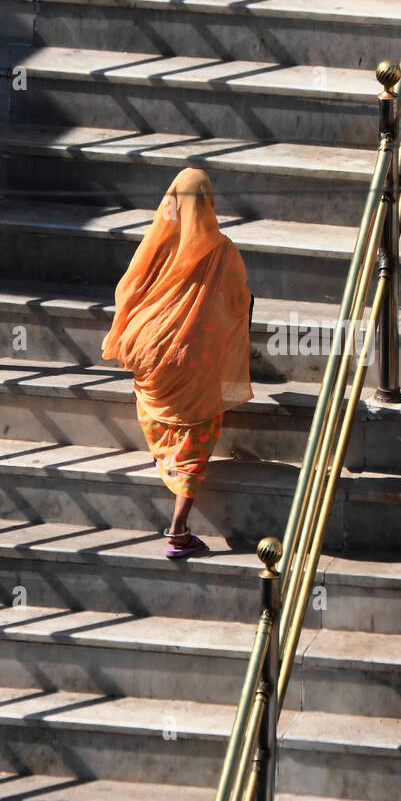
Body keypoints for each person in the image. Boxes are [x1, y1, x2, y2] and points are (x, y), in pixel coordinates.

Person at [102, 167, 252, 559]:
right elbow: (239, 303)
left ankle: (164, 455)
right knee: (197, 434)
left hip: (149, 351)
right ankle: (178, 529)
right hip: (192, 362)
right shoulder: (223, 250)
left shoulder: (158, 242)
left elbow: (130, 286)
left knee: (163, 413)